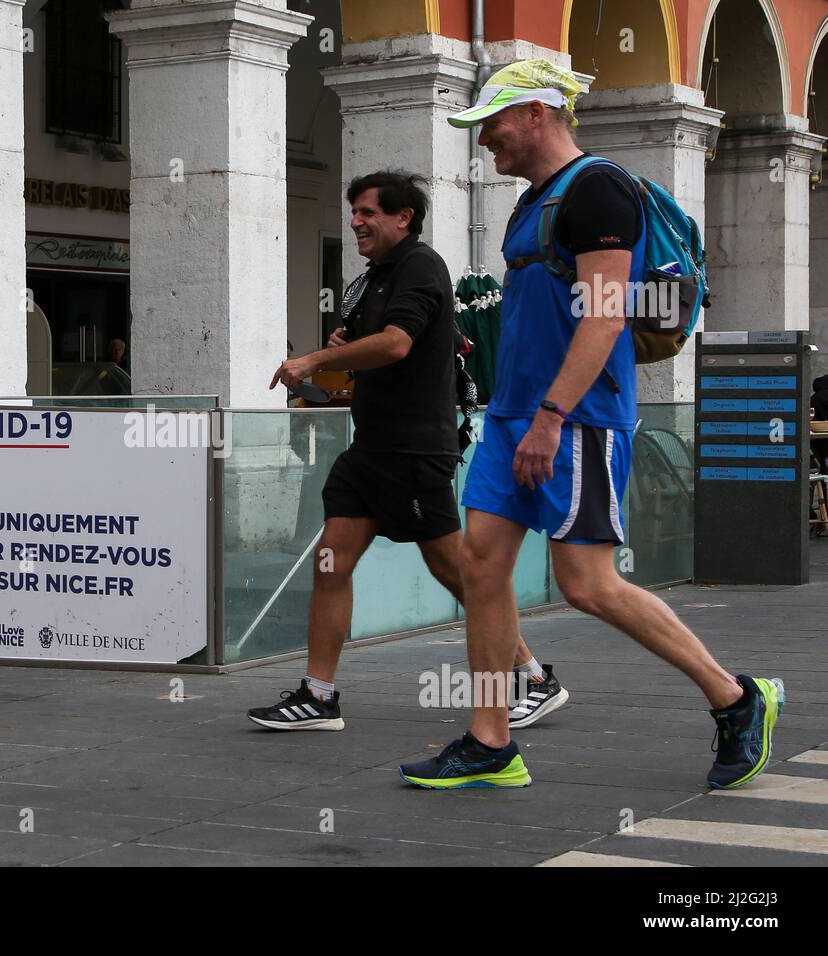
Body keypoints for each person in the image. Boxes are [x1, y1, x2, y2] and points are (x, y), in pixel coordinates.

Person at [399, 59, 784, 790]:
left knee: (588, 583)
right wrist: (516, 416)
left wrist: (550, 418)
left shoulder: (599, 189)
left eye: (494, 123)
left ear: (539, 113)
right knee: (481, 566)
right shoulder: (531, 202)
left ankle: (736, 699)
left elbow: (606, 315)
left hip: (576, 420)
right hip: (515, 417)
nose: (484, 140)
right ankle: (490, 740)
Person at [248, 170, 565, 732]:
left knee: (456, 571)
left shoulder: (421, 266)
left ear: (404, 217)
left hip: (414, 451)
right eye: (353, 212)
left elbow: (397, 343)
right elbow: (372, 343)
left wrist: (316, 359)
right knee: (331, 560)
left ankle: (535, 678)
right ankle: (319, 696)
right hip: (369, 449)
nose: (355, 222)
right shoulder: (372, 278)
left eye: (368, 212)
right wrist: (344, 349)